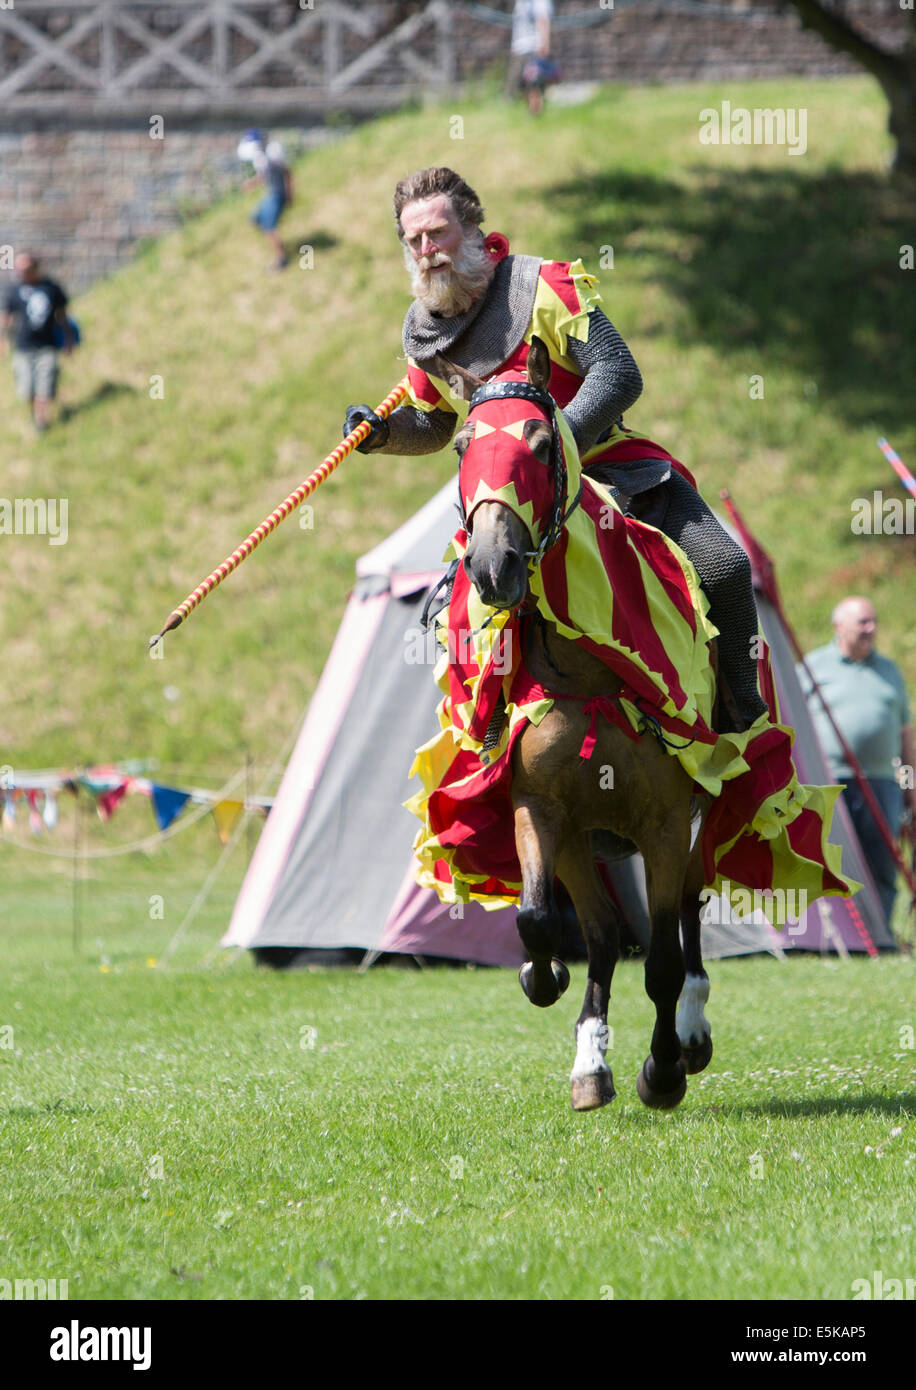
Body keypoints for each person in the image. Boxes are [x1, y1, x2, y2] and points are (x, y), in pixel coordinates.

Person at [344, 166, 768, 732]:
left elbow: (618, 374)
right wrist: (384, 434)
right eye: (414, 240)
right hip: (509, 502)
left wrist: (554, 448)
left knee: (725, 566)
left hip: (615, 471)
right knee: (458, 625)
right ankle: (489, 747)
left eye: (438, 233)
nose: (427, 250)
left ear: (470, 228)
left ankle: (741, 717)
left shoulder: (543, 285)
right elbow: (436, 424)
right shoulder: (422, 332)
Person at [800, 596, 915, 923]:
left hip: (882, 783)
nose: (871, 628)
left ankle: (880, 932)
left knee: (881, 861)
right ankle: (837, 934)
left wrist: (911, 785)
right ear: (839, 627)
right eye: (863, 622)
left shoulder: (889, 671)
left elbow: (905, 737)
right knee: (829, 862)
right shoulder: (813, 667)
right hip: (827, 782)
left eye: (873, 621)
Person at [1, 251, 72, 432]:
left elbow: (62, 316)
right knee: (27, 388)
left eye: (25, 269)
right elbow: (6, 317)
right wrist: (2, 340)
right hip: (23, 347)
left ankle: (41, 420)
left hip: (47, 345)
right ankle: (35, 416)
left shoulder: (51, 288)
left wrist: (68, 339)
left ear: (35, 268)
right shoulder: (14, 290)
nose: (21, 273)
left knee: (45, 384)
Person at [237, 129, 293, 270]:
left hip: (277, 194)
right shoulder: (262, 158)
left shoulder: (272, 156)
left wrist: (290, 194)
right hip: (271, 195)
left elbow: (287, 173)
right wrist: (250, 184)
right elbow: (263, 175)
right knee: (256, 219)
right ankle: (278, 249)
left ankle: (281, 260)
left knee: (269, 227)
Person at [509, 0, 555, 114]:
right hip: (520, 48)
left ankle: (536, 112)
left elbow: (543, 19)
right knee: (522, 85)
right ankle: (528, 111)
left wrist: (544, 44)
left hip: (533, 47)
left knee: (534, 85)